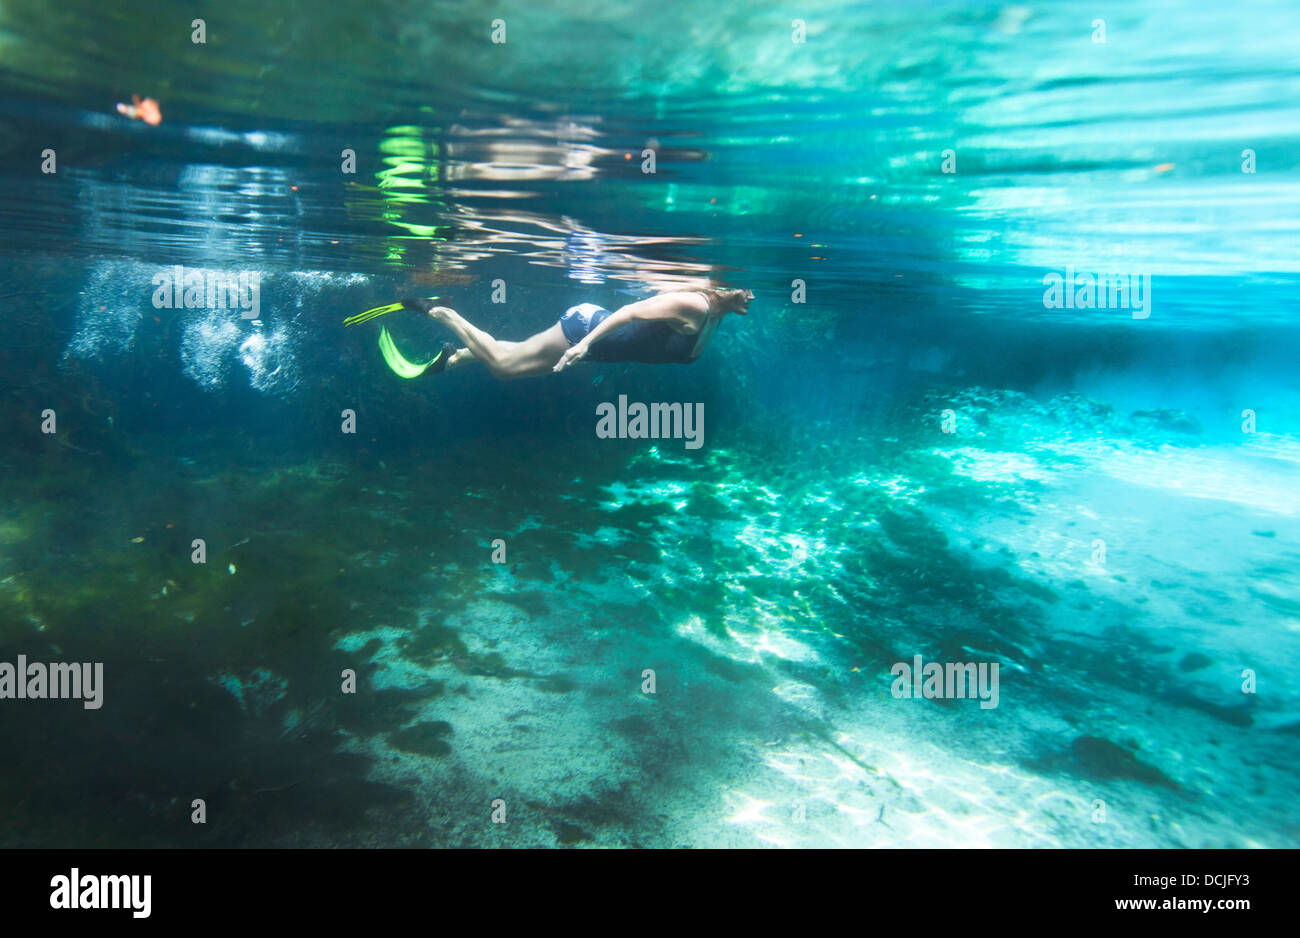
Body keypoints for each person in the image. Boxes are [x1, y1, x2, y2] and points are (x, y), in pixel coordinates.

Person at [348, 289, 752, 380]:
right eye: (743, 286)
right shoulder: (697, 304)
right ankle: (442, 313)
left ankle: (454, 356)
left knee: (516, 355)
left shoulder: (717, 314)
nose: (751, 295)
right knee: (506, 370)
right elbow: (629, 311)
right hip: (587, 329)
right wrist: (585, 345)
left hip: (595, 346)